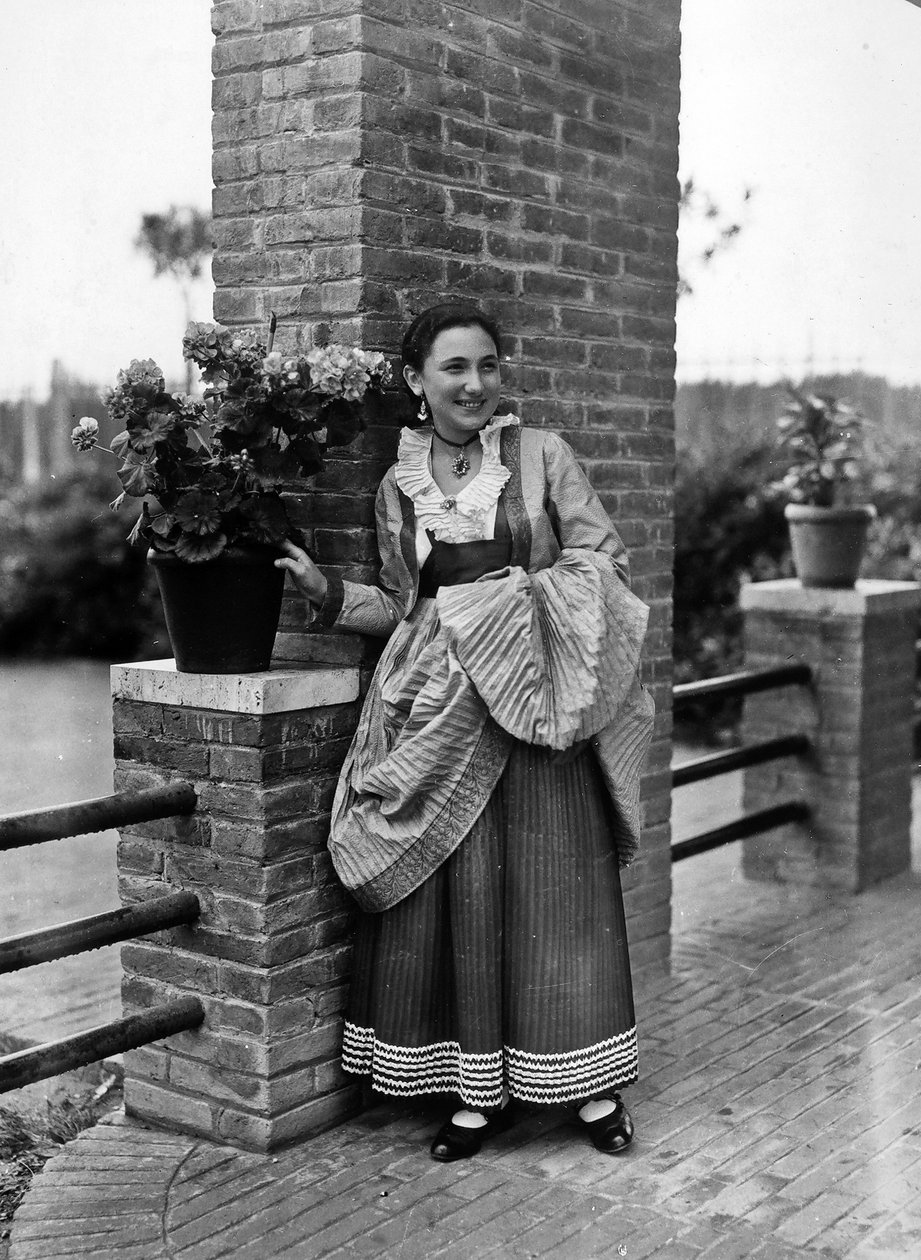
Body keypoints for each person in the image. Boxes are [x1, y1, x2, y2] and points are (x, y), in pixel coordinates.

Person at [277, 302, 655, 1162]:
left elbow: (606, 563)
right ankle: (473, 1094)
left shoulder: (541, 457)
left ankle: (591, 1092)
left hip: (533, 712)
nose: (476, 384)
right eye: (455, 368)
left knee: (555, 895)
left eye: (488, 365)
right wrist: (327, 596)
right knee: (461, 897)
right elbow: (403, 604)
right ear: (417, 381)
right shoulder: (395, 484)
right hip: (441, 712)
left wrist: (511, 598)